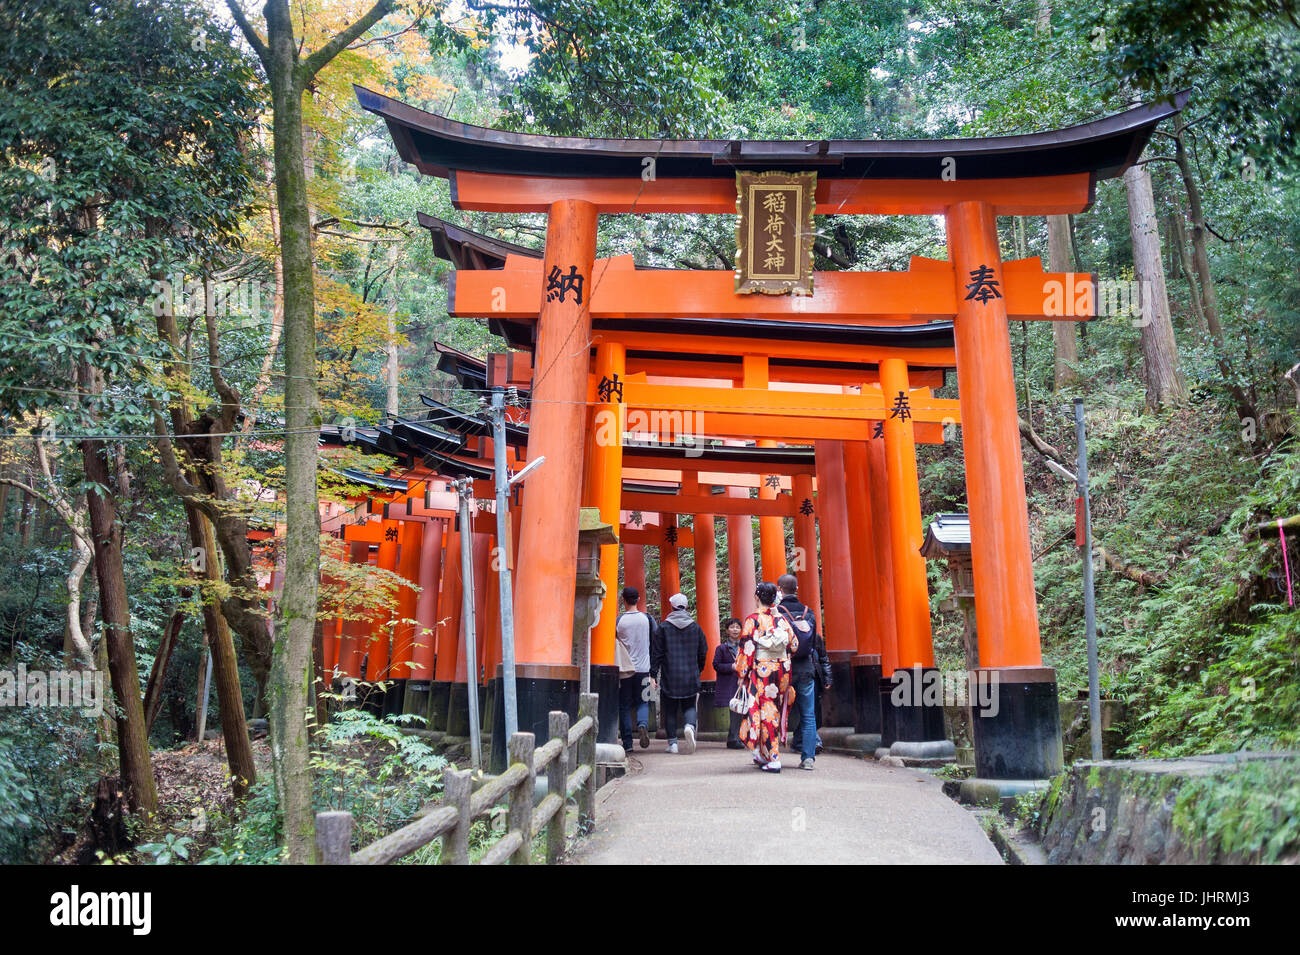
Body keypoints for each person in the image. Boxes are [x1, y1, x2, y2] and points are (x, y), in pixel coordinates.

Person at [735, 581, 797, 773]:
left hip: (762, 671)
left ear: (756, 597)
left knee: (765, 712)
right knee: (773, 711)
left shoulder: (753, 619)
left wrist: (742, 673)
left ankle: (774, 756)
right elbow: (794, 645)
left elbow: (747, 648)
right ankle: (763, 753)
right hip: (781, 670)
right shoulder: (781, 620)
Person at [776, 573, 830, 771]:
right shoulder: (809, 612)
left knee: (774, 711)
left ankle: (772, 755)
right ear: (796, 589)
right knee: (808, 714)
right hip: (806, 668)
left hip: (783, 668)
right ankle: (808, 758)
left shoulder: (777, 612)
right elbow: (814, 641)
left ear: (779, 589)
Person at [650, 593, 708, 754]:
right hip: (690, 673)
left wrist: (653, 674)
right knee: (689, 705)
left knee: (670, 709)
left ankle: (673, 744)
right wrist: (699, 668)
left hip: (670, 675)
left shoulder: (663, 627)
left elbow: (657, 653)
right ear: (686, 607)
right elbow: (703, 651)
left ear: (672, 607)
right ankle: (689, 726)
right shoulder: (695, 627)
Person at [615, 586, 654, 751]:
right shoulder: (648, 619)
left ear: (623, 600)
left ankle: (628, 744)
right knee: (643, 701)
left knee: (623, 706)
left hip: (625, 670)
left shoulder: (619, 621)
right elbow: (655, 639)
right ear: (638, 599)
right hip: (644, 669)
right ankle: (643, 724)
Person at [713, 617, 744, 749]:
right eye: (732, 627)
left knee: (742, 710)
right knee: (735, 710)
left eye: (737, 627)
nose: (735, 629)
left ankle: (738, 737)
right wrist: (731, 666)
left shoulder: (744, 647)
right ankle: (733, 738)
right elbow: (716, 665)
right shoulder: (721, 648)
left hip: (743, 682)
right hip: (729, 683)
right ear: (727, 630)